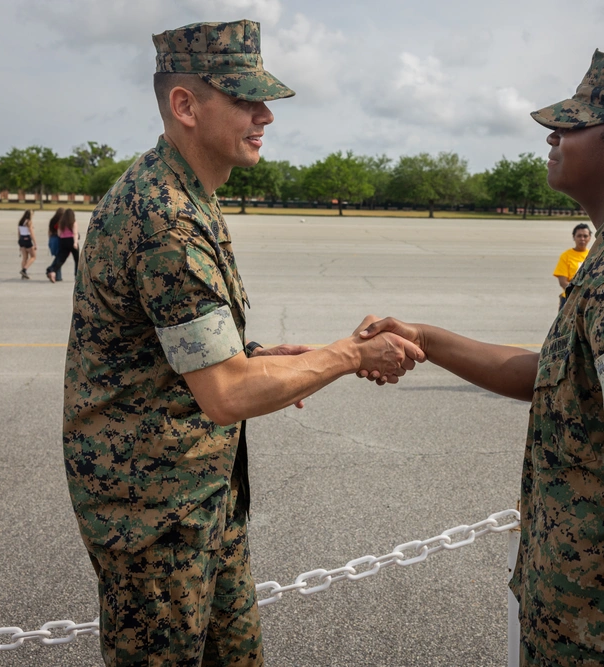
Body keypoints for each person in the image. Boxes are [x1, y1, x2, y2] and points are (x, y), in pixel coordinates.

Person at [61, 20, 423, 667]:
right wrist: (351, 354)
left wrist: (257, 356)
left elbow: (196, 350)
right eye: (245, 99)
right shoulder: (164, 213)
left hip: (201, 499)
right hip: (153, 516)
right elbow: (225, 394)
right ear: (185, 105)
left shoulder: (188, 192)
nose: (264, 116)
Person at [361, 49, 604, 667]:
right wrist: (424, 336)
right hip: (587, 609)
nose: (554, 135)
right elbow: (550, 376)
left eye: (575, 124)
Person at [553, 222, 591, 309]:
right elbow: (563, 282)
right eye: (579, 236)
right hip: (569, 299)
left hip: (588, 300)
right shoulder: (566, 256)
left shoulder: (593, 255)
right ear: (574, 237)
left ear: (589, 238)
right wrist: (578, 294)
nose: (582, 239)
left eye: (585, 236)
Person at [46, 208, 79, 282]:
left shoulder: (61, 223)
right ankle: (77, 276)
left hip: (63, 241)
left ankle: (53, 272)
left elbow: (59, 233)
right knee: (77, 260)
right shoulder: (73, 222)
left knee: (61, 259)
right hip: (72, 240)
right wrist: (75, 243)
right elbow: (75, 233)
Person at [17, 210, 37, 279]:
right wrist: (35, 243)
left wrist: (19, 241)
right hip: (27, 239)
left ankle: (23, 275)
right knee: (33, 256)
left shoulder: (21, 222)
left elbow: (19, 232)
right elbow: (31, 233)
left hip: (21, 239)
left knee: (24, 258)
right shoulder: (29, 222)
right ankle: (24, 270)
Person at [47, 208, 65, 281]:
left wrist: (50, 240)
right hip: (58, 239)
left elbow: (49, 231)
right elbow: (59, 231)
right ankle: (53, 272)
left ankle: (56, 274)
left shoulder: (52, 220)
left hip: (52, 238)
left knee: (58, 257)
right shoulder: (61, 221)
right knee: (59, 258)